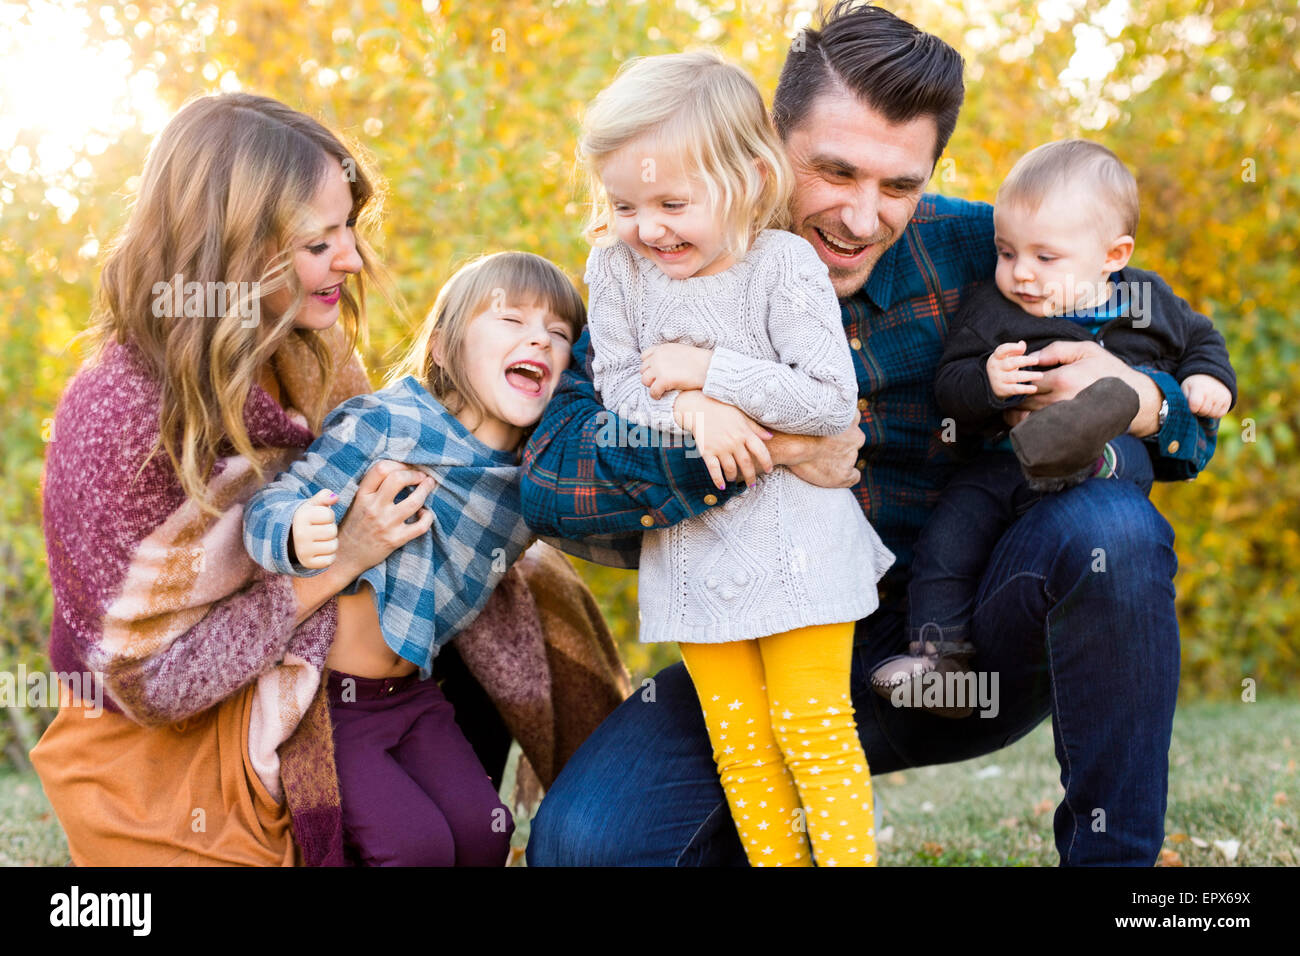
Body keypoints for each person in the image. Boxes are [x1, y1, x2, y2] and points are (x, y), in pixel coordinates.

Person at [521, 2, 1221, 866]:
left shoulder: (990, 252)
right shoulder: (676, 261)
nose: (861, 217)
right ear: (768, 144)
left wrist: (1145, 398)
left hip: (960, 637)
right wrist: (752, 448)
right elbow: (551, 475)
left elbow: (1173, 363)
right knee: (586, 846)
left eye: (899, 186)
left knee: (1113, 529)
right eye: (834, 172)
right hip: (759, 635)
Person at [30, 92, 628, 866]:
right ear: (233, 251)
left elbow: (403, 480)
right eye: (321, 241)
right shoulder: (118, 416)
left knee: (508, 587)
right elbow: (154, 684)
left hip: (332, 669)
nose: (349, 257)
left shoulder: (307, 352)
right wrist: (339, 563)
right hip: (167, 734)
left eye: (348, 227)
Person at [574, 51, 895, 866]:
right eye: (623, 204)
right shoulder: (617, 269)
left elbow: (827, 399)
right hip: (691, 550)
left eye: (672, 202)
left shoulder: (783, 263)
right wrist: (694, 409)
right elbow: (616, 389)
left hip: (802, 546)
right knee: (742, 744)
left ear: (749, 177)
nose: (649, 227)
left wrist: (709, 368)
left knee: (811, 726)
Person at [243, 251, 586, 866]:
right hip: (331, 699)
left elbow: (619, 527)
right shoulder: (390, 423)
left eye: (559, 335)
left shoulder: (538, 481)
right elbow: (277, 500)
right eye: (511, 320)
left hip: (414, 694)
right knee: (412, 845)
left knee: (486, 833)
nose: (539, 337)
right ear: (447, 344)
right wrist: (297, 530)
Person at [870, 139, 1236, 710]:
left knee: (1115, 426)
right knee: (946, 540)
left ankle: (1089, 438)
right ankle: (942, 665)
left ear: (1113, 255)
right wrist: (987, 382)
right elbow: (951, 386)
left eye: (1046, 258)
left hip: (1105, 469)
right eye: (1006, 252)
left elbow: (1201, 340)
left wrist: (1209, 381)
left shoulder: (1147, 299)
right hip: (1002, 465)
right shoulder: (995, 309)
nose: (1021, 274)